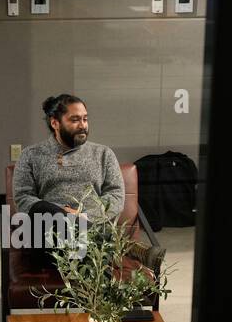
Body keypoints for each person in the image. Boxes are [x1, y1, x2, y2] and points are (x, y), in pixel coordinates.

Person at [11, 93, 166, 271]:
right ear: (55, 123)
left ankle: (97, 254)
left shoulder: (103, 154)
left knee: (82, 246)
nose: (83, 125)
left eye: (85, 119)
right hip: (47, 237)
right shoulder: (31, 156)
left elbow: (115, 196)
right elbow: (23, 199)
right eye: (75, 120)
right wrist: (61, 212)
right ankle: (123, 248)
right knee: (41, 209)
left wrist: (83, 215)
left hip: (90, 230)